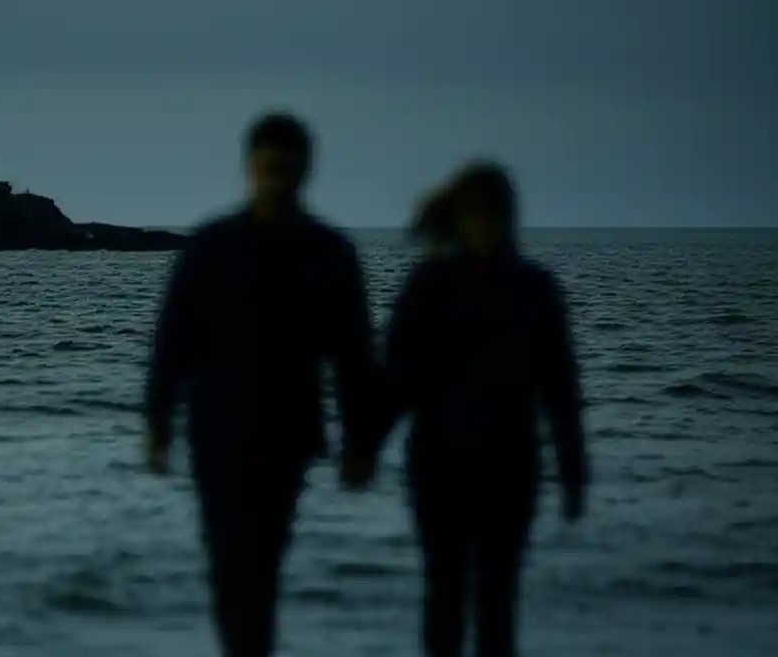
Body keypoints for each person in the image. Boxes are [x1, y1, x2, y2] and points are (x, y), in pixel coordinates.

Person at [144, 112, 377, 657]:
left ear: (305, 171)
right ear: (250, 167)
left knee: (263, 565)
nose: (277, 180)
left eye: (287, 170)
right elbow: (172, 342)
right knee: (228, 566)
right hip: (216, 436)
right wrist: (158, 425)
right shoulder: (212, 247)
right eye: (269, 168)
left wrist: (360, 444)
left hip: (287, 437)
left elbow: (354, 356)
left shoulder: (328, 253)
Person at [345, 161, 588, 657]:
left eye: (495, 214)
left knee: (496, 599)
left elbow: (558, 386)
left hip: (509, 466)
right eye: (479, 214)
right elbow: (398, 378)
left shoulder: (533, 288)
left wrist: (572, 469)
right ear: (461, 218)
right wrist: (366, 446)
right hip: (441, 467)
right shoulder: (432, 285)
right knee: (447, 593)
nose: (487, 225)